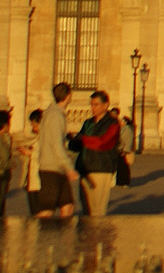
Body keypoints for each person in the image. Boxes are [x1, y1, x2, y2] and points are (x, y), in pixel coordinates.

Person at [75, 90, 127, 216]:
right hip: (85, 168)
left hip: (101, 168)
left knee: (97, 208)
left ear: (105, 105)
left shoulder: (112, 124)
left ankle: (97, 234)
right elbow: (77, 144)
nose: (93, 108)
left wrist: (82, 139)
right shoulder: (88, 123)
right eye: (92, 104)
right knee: (86, 207)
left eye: (96, 104)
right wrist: (74, 140)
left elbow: (103, 143)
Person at [33, 83, 78, 220]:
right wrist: (69, 168)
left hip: (57, 168)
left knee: (67, 205)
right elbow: (57, 145)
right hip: (51, 168)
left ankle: (64, 236)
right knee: (47, 210)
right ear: (68, 96)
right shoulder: (56, 115)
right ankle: (37, 235)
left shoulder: (52, 113)